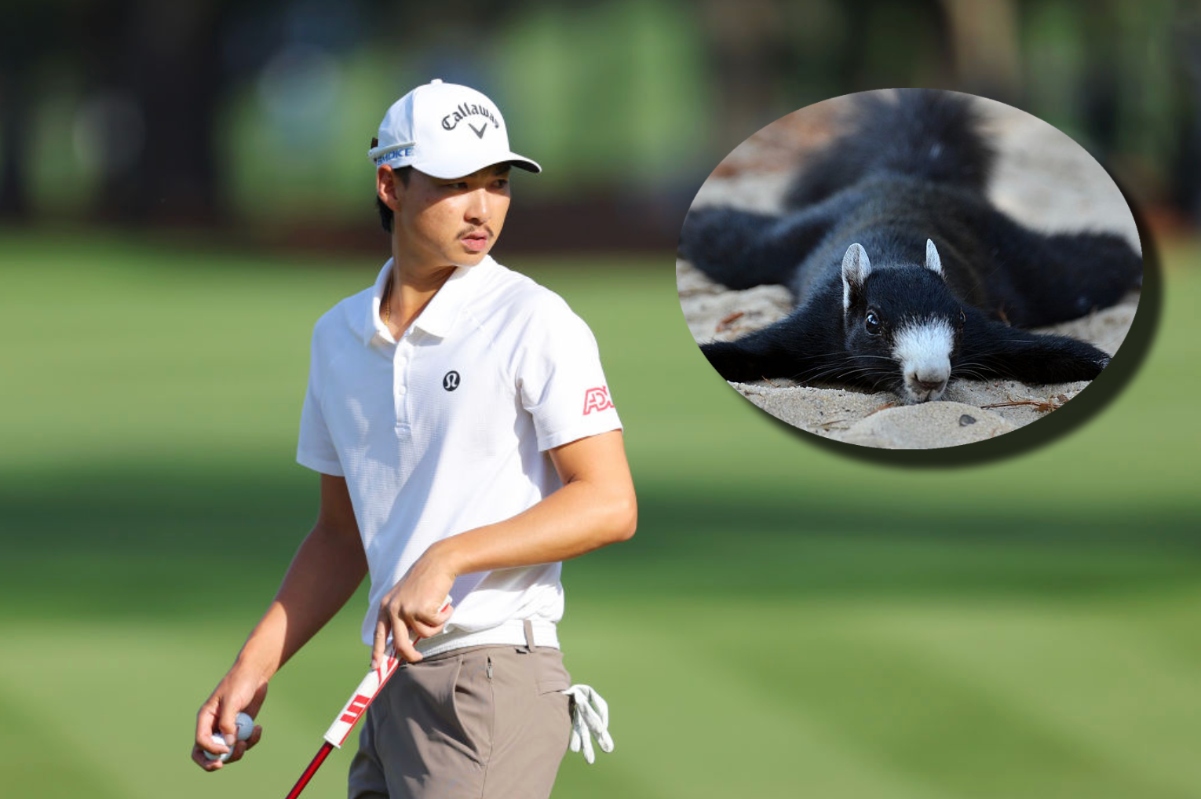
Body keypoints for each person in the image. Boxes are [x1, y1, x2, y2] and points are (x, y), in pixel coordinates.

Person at [191, 79, 636, 799]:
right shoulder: (338, 337)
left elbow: (610, 502)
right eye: (455, 183)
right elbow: (340, 536)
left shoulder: (534, 319)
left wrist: (449, 555)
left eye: (496, 183)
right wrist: (254, 665)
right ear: (390, 185)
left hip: (490, 682)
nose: (481, 207)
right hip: (389, 688)